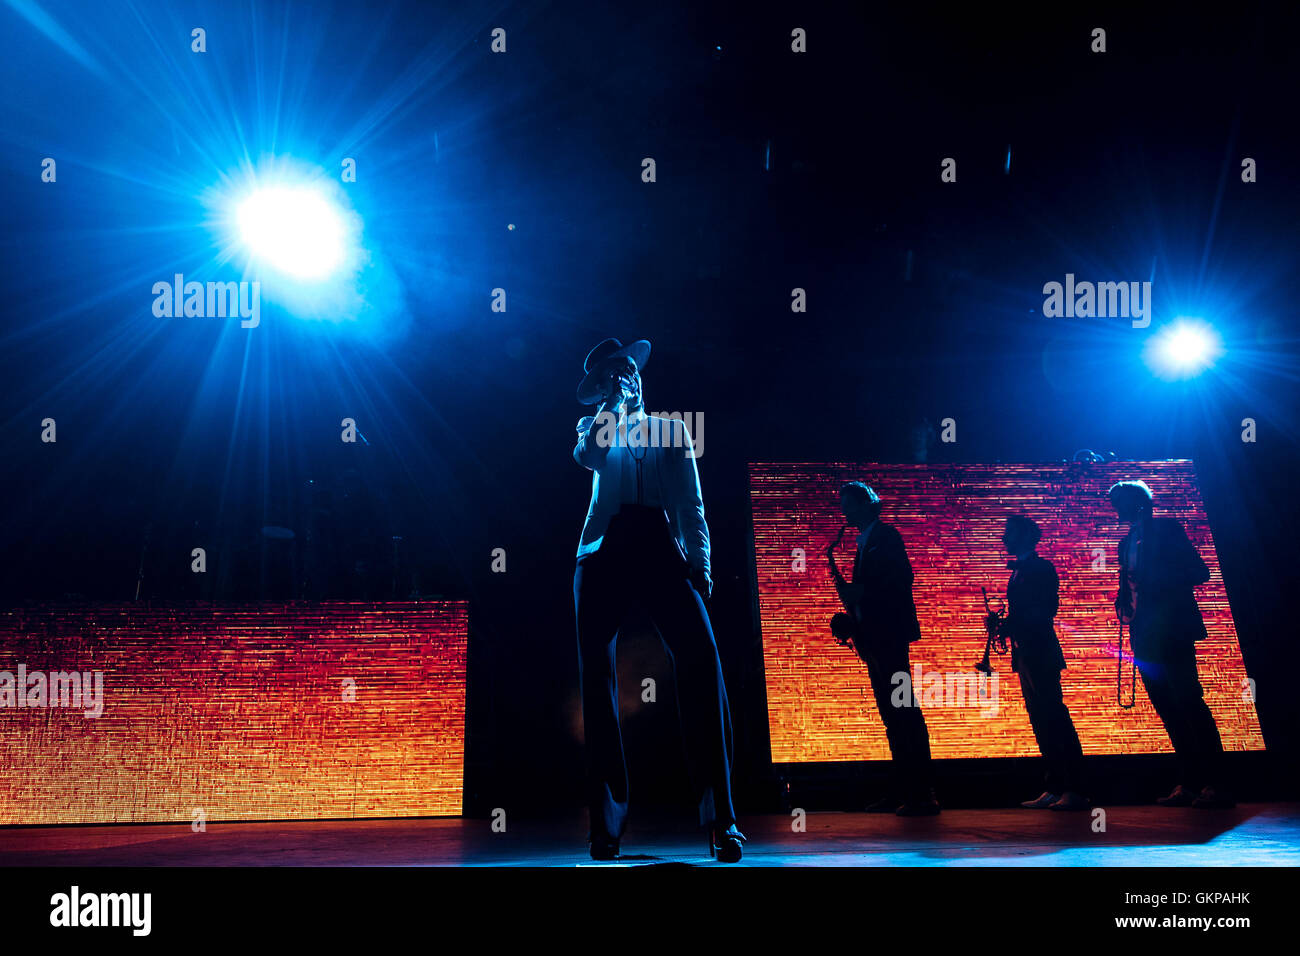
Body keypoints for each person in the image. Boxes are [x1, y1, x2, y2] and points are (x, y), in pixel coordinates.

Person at [571, 337, 746, 861]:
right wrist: (612, 407)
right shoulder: (592, 426)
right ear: (601, 384)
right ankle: (606, 824)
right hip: (602, 551)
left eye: (631, 369)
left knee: (702, 659)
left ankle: (722, 819)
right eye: (615, 372)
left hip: (658, 543)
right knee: (596, 678)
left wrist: (702, 564)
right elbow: (591, 455)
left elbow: (690, 503)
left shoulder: (672, 429)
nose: (629, 376)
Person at [1109, 479, 1232, 808]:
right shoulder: (1126, 543)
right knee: (1168, 709)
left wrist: (1155, 582)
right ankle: (1190, 783)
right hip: (1144, 633)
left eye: (1119, 502)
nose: (1115, 509)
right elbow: (1131, 583)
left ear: (1138, 503)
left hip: (1173, 629)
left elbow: (1199, 572)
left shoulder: (1167, 530)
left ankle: (1217, 784)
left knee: (1189, 702)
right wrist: (1124, 597)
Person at [830, 481, 940, 815]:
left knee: (904, 713)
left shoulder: (886, 537)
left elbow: (901, 578)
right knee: (894, 717)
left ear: (866, 505)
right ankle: (905, 791)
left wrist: (859, 593)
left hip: (889, 637)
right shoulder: (866, 543)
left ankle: (922, 794)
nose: (844, 512)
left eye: (849, 504)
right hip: (876, 639)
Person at [995, 515, 1088, 810]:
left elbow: (1045, 609)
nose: (1003, 539)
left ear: (1023, 536)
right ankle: (1056, 785)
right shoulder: (1023, 569)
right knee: (1041, 719)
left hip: (1039, 650)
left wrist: (1010, 625)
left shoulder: (1038, 567)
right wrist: (1007, 625)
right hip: (1027, 652)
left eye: (1008, 533)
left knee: (1053, 717)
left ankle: (1075, 787)